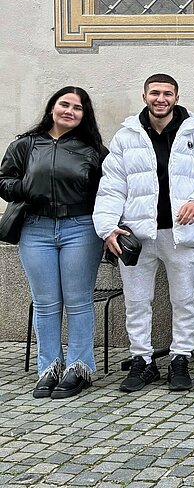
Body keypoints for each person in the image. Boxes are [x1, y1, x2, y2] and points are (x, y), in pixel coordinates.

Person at [94, 74, 194, 393]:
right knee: (137, 301)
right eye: (155, 93)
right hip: (136, 235)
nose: (161, 98)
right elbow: (112, 186)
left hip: (180, 234)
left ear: (176, 97)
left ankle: (180, 358)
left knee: (184, 299)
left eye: (167, 93)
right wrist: (108, 227)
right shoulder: (127, 137)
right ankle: (142, 360)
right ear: (145, 96)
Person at [0, 87, 105, 398]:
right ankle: (49, 367)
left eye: (78, 107)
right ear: (52, 107)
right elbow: (3, 181)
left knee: (78, 300)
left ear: (85, 115)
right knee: (45, 303)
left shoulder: (93, 150)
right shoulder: (25, 144)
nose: (69, 111)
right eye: (64, 104)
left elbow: (108, 191)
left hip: (80, 227)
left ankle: (79, 366)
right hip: (36, 227)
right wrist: (25, 187)